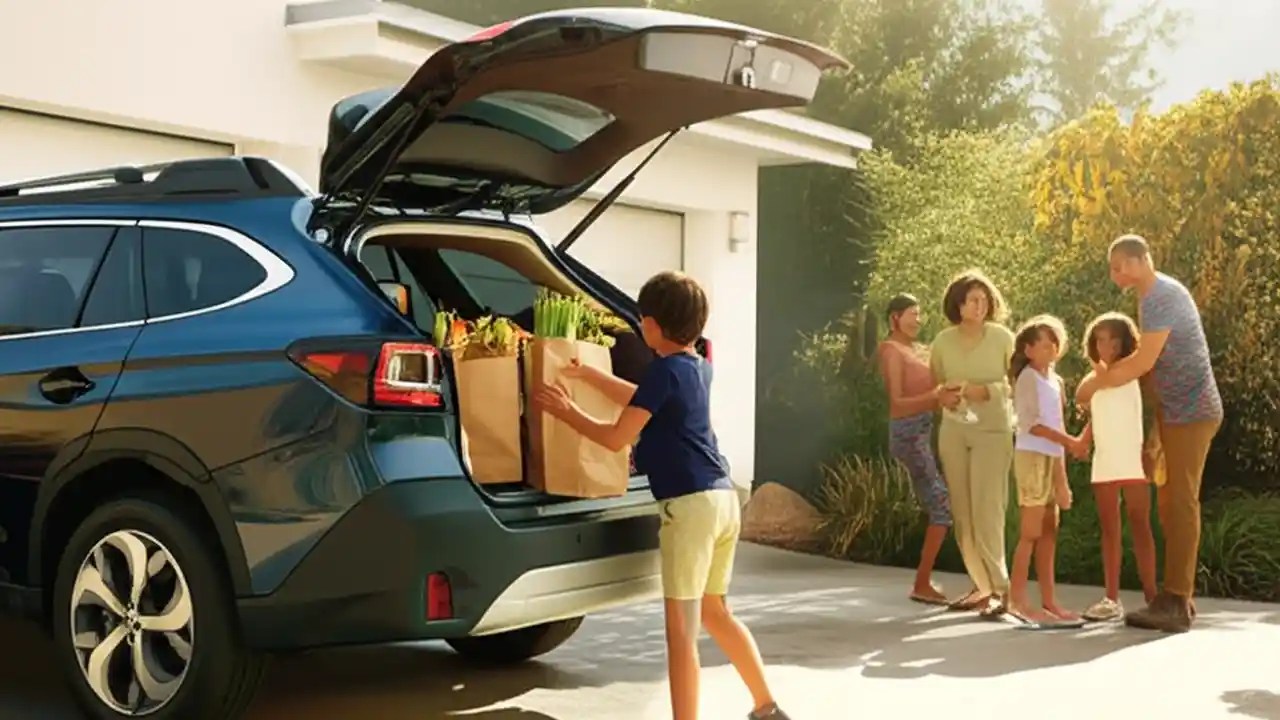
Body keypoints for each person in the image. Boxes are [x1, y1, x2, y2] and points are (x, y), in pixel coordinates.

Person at [533, 271, 788, 720]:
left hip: (689, 508)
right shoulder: (694, 366)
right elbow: (642, 399)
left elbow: (616, 438)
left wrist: (566, 409)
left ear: (650, 324)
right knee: (716, 613)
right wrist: (589, 373)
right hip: (723, 500)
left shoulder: (663, 371)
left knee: (681, 633)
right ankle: (766, 706)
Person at [1078, 234, 1222, 633]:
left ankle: (1175, 600)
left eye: (1118, 266)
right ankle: (1175, 596)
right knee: (1168, 501)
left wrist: (1097, 382)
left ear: (1140, 260)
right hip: (1174, 413)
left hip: (1193, 411)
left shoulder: (1160, 296)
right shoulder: (1151, 297)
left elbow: (1143, 361)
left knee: (1181, 501)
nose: (1115, 275)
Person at [929, 269, 1016, 618]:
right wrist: (940, 396)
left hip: (992, 432)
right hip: (954, 431)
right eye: (972, 300)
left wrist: (987, 391)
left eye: (985, 300)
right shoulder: (942, 342)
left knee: (988, 510)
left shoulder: (1003, 338)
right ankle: (981, 585)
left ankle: (1002, 589)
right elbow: (936, 383)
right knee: (963, 515)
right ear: (958, 304)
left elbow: (1017, 383)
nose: (980, 306)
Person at [1075, 312, 1159, 622]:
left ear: (1126, 341)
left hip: (1133, 457)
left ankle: (1152, 596)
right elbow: (1082, 396)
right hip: (1105, 458)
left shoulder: (1134, 371)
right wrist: (1099, 376)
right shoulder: (1094, 377)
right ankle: (1111, 598)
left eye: (1113, 339)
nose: (1106, 345)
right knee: (1110, 528)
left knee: (1140, 524)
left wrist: (1150, 452)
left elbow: (1148, 412)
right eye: (1099, 340)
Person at [876, 293, 958, 605]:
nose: (918, 319)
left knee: (939, 504)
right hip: (908, 433)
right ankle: (922, 582)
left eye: (920, 313)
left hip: (928, 429)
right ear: (894, 318)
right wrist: (936, 396)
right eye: (912, 313)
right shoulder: (891, 351)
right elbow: (897, 404)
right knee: (940, 505)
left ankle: (924, 579)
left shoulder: (921, 350)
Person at [1007, 314, 1083, 625]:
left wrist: (1061, 477)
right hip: (1031, 457)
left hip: (1052, 459)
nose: (1051, 346)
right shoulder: (1027, 378)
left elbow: (1059, 425)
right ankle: (1018, 600)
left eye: (1054, 340)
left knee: (1050, 531)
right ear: (1028, 349)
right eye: (1043, 342)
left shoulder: (1056, 381)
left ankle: (1050, 601)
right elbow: (1033, 425)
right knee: (1030, 532)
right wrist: (1071, 442)